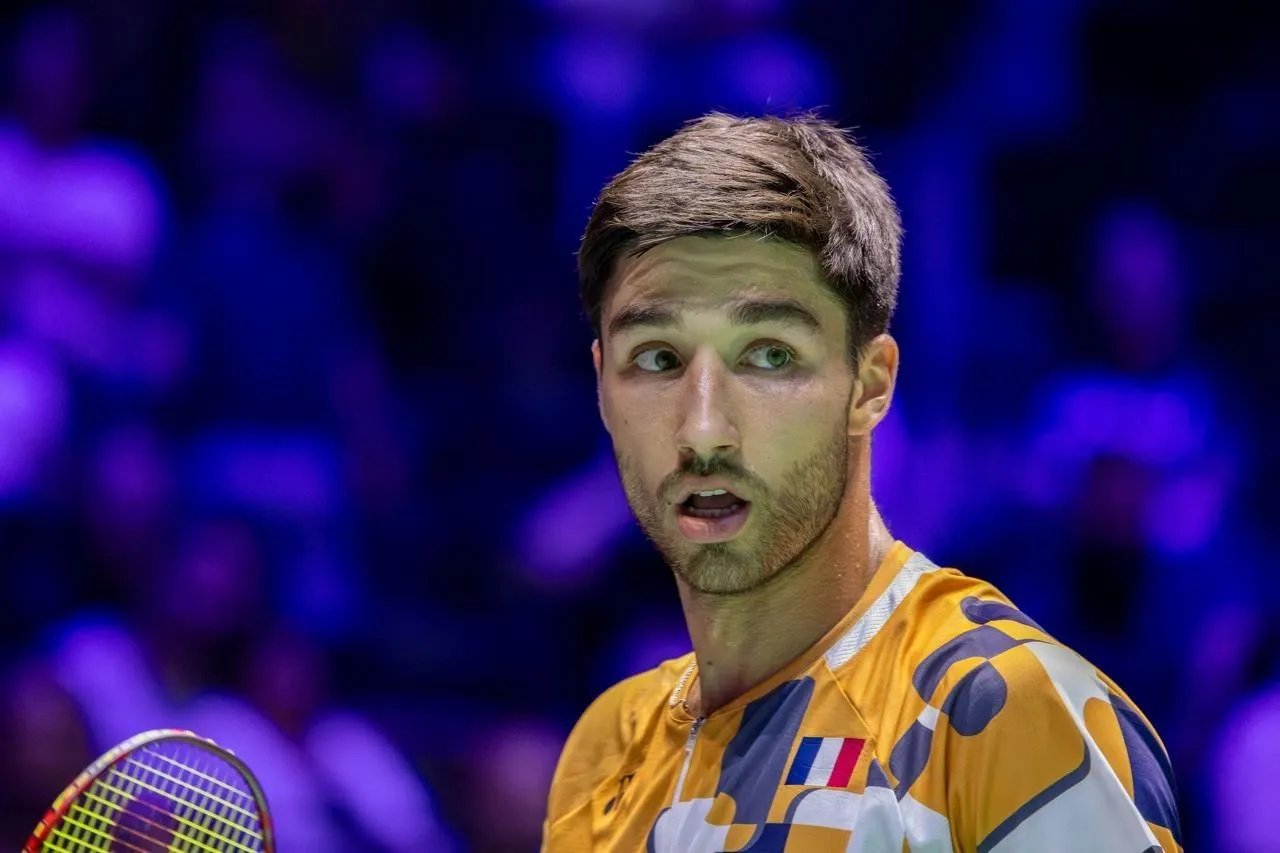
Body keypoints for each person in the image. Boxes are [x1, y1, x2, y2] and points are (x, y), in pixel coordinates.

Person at [542, 113, 1182, 852]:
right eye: (656, 359)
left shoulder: (1006, 712)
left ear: (870, 385)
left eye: (769, 356)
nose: (703, 427)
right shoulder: (607, 747)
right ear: (602, 389)